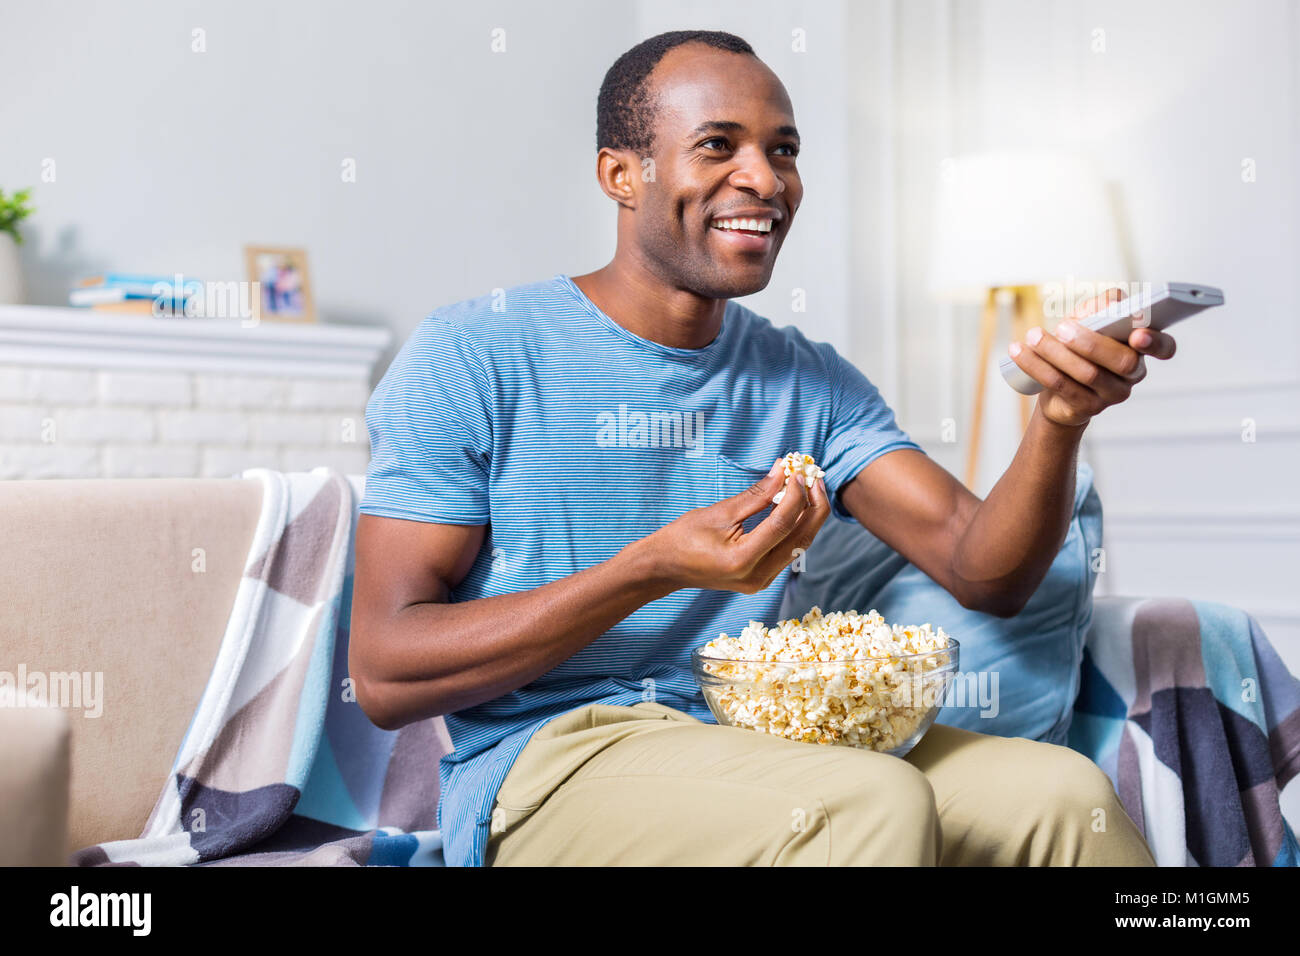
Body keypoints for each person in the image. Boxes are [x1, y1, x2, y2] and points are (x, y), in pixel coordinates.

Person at [350, 30, 1169, 867]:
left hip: (762, 741)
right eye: (718, 145)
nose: (766, 180)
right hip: (547, 767)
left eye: (784, 150)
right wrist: (654, 567)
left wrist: (1058, 420)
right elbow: (384, 671)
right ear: (620, 175)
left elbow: (984, 572)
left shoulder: (809, 380)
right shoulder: (471, 355)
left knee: (1063, 797)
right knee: (865, 800)